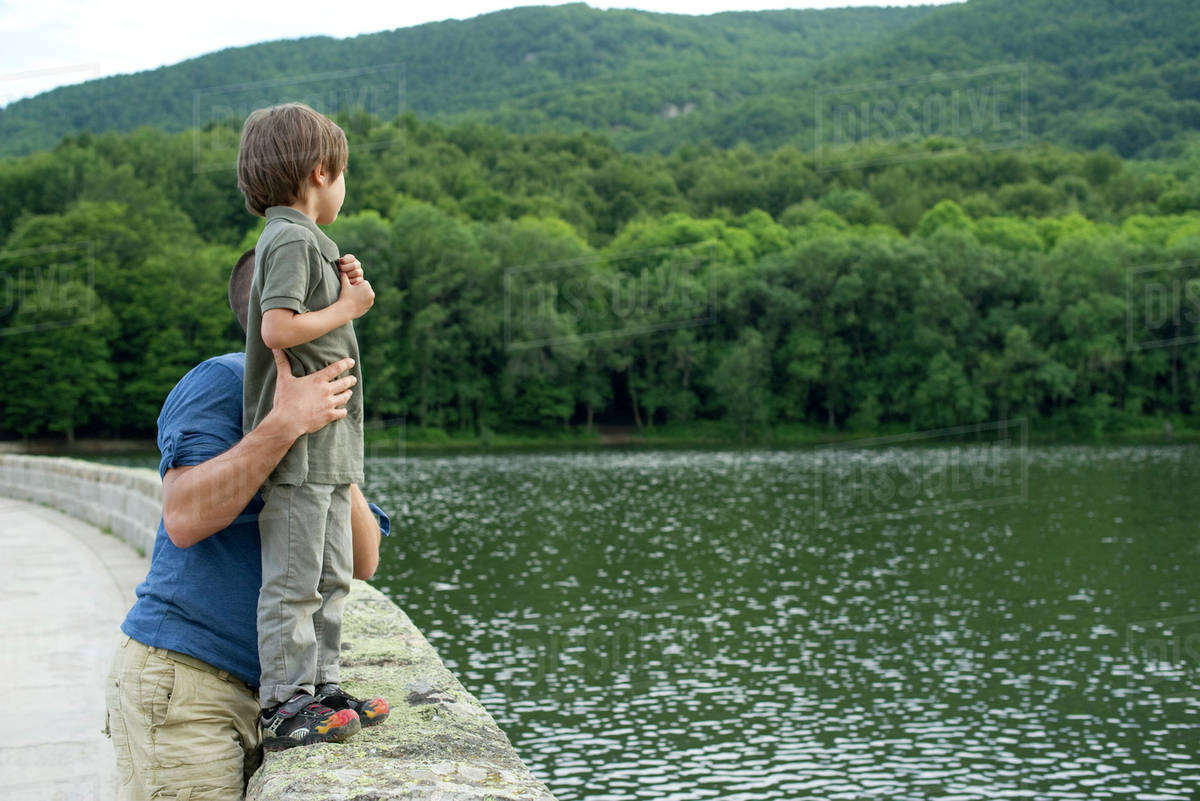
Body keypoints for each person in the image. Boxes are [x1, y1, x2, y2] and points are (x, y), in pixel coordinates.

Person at [104, 249, 390, 800]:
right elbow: (184, 517)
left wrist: (321, 436)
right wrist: (283, 424)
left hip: (277, 696)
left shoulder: (326, 406)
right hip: (190, 686)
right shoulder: (222, 381)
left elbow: (363, 561)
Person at [236, 102, 381, 750]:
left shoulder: (307, 241)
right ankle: (283, 704)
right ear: (322, 172)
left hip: (328, 449)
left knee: (330, 576)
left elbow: (306, 319)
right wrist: (350, 304)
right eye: (343, 175)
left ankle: (322, 687)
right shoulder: (290, 235)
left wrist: (340, 289)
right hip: (299, 450)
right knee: (295, 582)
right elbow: (277, 327)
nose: (344, 188)